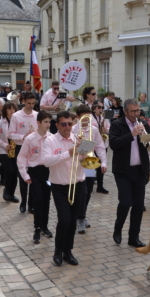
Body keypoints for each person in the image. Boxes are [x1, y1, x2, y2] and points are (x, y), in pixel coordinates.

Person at [109, 98, 150, 247]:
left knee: (138, 205)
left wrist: (148, 140)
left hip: (140, 171)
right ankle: (118, 228)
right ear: (126, 111)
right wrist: (132, 134)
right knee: (125, 202)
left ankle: (133, 237)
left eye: (138, 110)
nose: (137, 114)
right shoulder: (117, 124)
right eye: (133, 111)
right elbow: (114, 144)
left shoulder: (144, 124)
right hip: (123, 171)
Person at [42, 110, 86, 267]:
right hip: (59, 185)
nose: (68, 127)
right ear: (57, 125)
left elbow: (86, 162)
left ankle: (68, 251)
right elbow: (46, 161)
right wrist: (69, 153)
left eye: (70, 123)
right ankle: (57, 251)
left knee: (73, 220)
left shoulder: (78, 139)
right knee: (64, 219)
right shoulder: (50, 141)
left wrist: (85, 155)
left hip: (78, 183)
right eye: (64, 124)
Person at [17, 110, 54, 243]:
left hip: (47, 172)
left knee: (46, 200)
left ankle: (45, 226)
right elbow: (21, 157)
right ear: (38, 123)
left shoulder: (51, 138)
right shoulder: (30, 138)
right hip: (34, 171)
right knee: (38, 199)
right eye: (45, 122)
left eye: (49, 122)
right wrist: (24, 174)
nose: (48, 124)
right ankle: (37, 228)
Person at [72, 104, 108, 234]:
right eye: (84, 117)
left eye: (88, 117)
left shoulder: (94, 129)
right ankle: (79, 217)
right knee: (79, 191)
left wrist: (103, 162)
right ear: (78, 117)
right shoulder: (73, 129)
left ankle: (82, 215)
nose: (87, 120)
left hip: (89, 163)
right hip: (76, 163)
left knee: (88, 191)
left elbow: (100, 146)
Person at [8, 92, 38, 213]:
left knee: (32, 176)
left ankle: (31, 204)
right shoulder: (16, 116)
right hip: (21, 148)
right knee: (22, 177)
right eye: (28, 103)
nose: (31, 106)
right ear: (23, 102)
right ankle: (23, 202)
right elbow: (10, 134)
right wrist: (23, 136)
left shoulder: (37, 115)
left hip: (34, 149)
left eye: (33, 103)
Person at [0, 101, 19, 204]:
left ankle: (11, 194)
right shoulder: (0, 122)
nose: (12, 111)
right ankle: (6, 191)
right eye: (9, 109)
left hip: (16, 150)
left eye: (13, 109)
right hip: (5, 151)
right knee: (10, 171)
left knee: (15, 173)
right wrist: (5, 145)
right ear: (6, 110)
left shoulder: (18, 122)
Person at [92, 99, 110, 194]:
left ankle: (100, 186)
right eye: (99, 107)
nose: (101, 109)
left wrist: (105, 129)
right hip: (93, 145)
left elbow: (108, 128)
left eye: (102, 107)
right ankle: (89, 184)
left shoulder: (104, 117)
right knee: (92, 164)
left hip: (103, 143)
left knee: (101, 164)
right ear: (94, 108)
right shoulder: (90, 117)